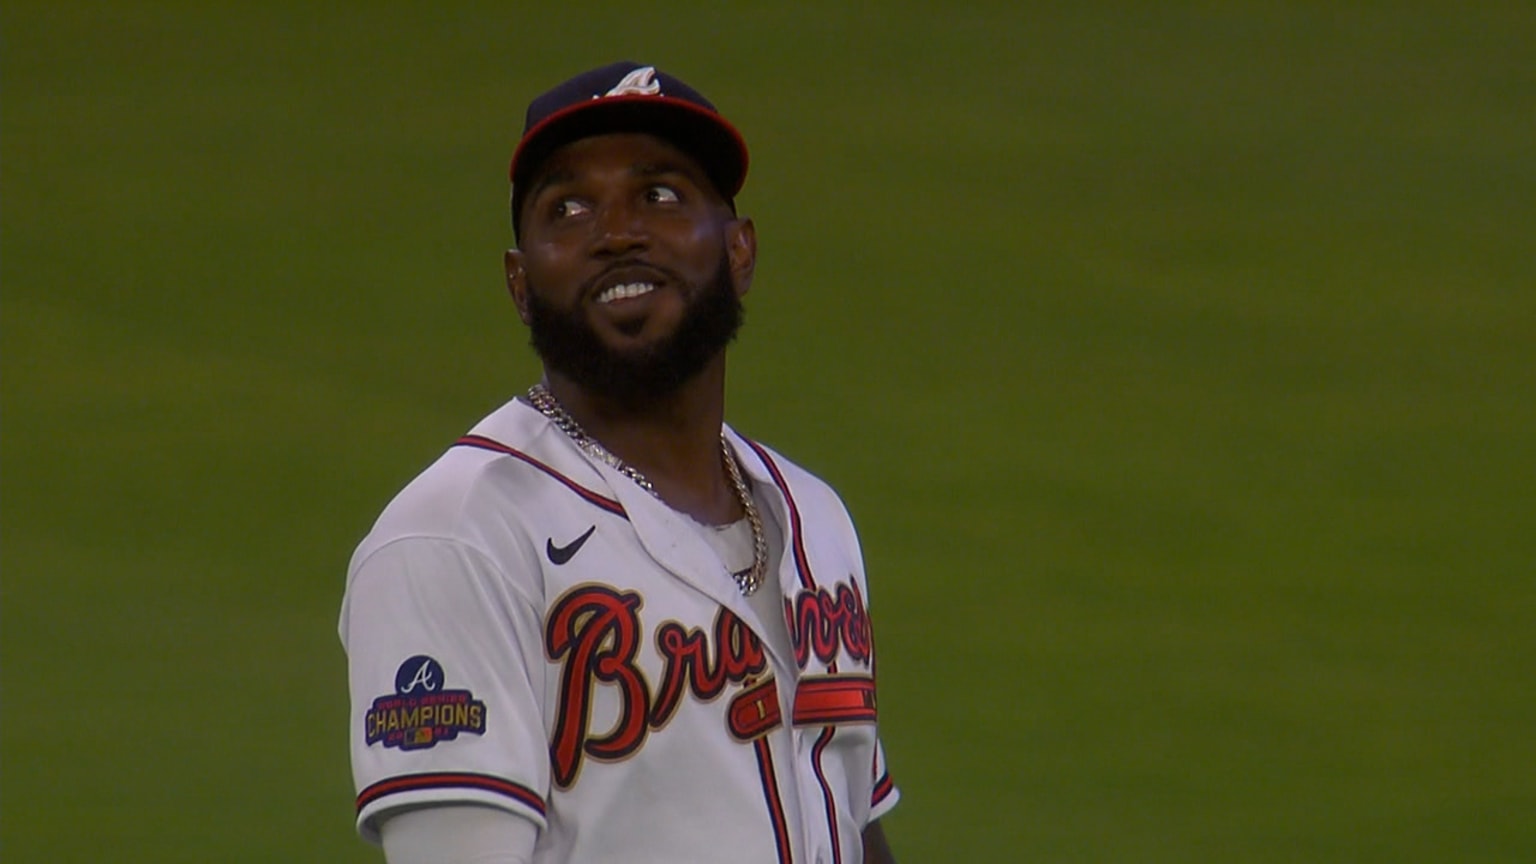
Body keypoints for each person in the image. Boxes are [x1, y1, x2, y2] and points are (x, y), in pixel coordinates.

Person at [340, 61, 899, 864]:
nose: (615, 232)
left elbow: (853, 821)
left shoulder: (814, 518)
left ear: (740, 250)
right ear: (519, 282)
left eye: (660, 195)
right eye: (568, 208)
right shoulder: (456, 538)